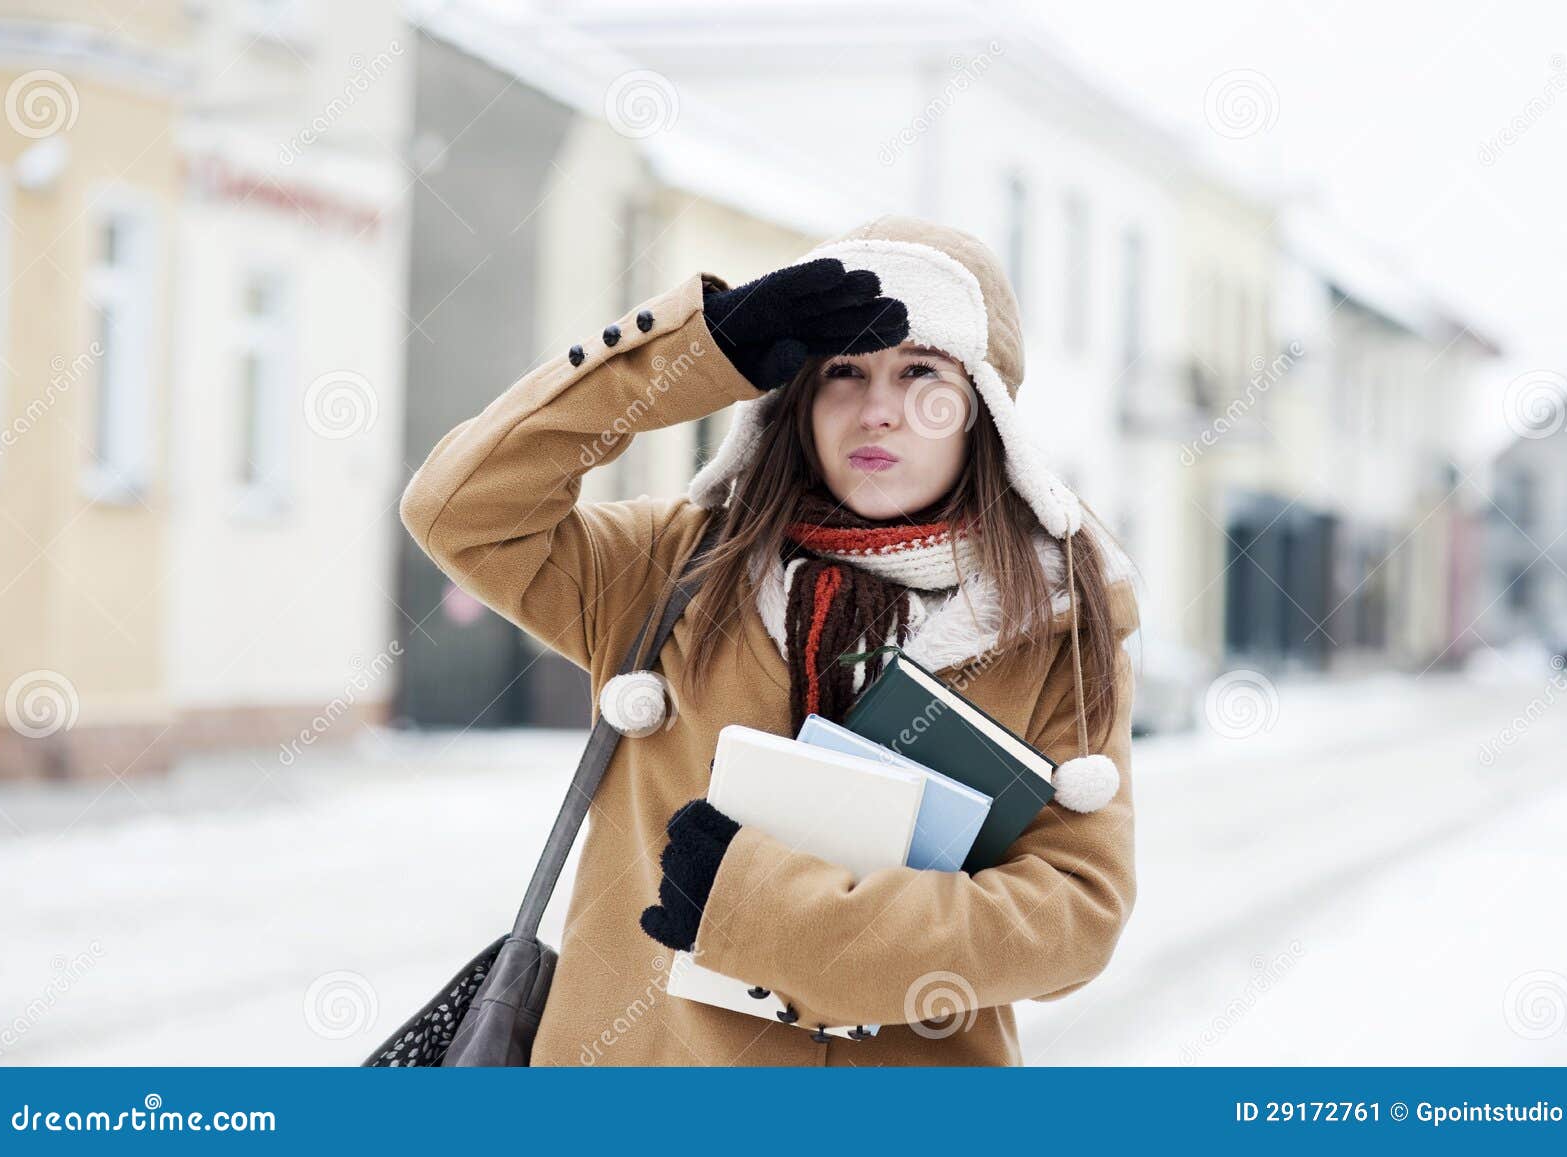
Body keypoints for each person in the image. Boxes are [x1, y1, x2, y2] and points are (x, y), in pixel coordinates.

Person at [399, 214, 1140, 1066]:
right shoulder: (667, 569)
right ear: (797, 400)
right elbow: (458, 508)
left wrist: (767, 910)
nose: (878, 412)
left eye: (920, 372)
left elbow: (1073, 915)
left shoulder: (1051, 618)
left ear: (984, 408)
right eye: (845, 372)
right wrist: (690, 358)